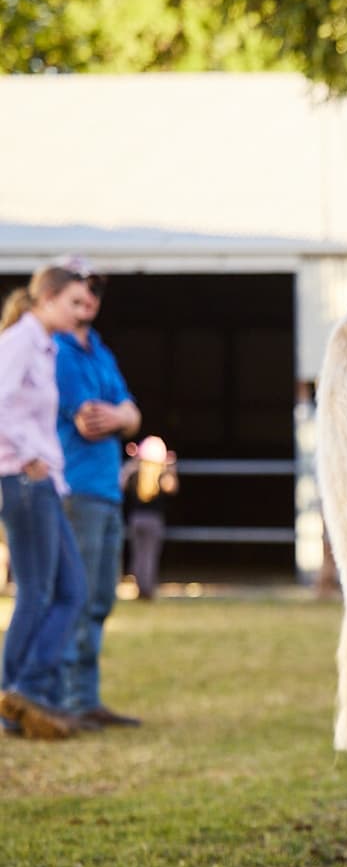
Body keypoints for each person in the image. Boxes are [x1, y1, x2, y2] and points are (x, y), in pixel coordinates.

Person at [0, 263, 94, 739]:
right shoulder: (19, 341)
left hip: (43, 484)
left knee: (67, 591)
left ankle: (26, 694)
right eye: (73, 303)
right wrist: (32, 454)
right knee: (40, 594)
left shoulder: (41, 345)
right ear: (48, 297)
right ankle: (21, 694)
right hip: (21, 480)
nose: (81, 312)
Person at [53, 258, 142, 727]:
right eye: (80, 288)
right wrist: (120, 415)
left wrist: (124, 415)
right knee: (78, 595)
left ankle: (87, 698)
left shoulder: (99, 351)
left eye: (96, 290)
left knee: (102, 596)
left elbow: (131, 413)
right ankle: (68, 699)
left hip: (106, 489)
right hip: (77, 489)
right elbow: (91, 420)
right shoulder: (59, 351)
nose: (90, 297)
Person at [123, 435, 177, 600]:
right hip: (154, 520)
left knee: (138, 554)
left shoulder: (135, 472)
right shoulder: (161, 474)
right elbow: (172, 487)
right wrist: (170, 467)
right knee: (149, 555)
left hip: (136, 519)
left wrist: (132, 463)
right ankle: (147, 589)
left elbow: (121, 483)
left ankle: (140, 587)